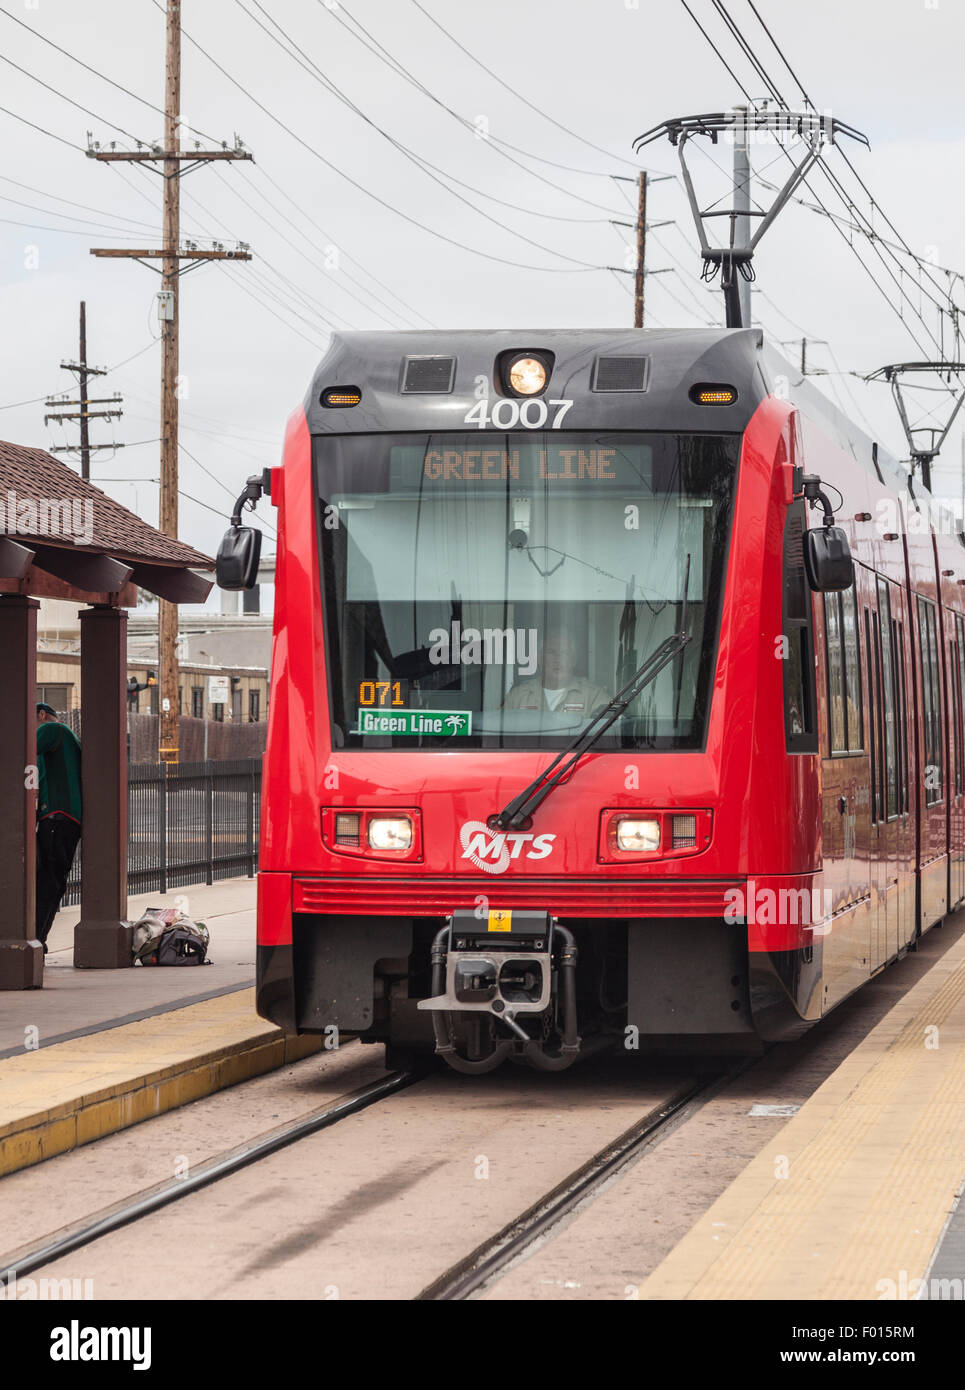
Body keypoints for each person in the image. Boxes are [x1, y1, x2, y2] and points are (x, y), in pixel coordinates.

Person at [35, 703, 82, 953]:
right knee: (54, 883)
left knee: (46, 882)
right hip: (67, 820)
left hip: (56, 817)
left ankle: (34, 939)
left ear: (41, 715)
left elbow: (21, 749)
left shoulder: (53, 729)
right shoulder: (69, 739)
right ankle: (38, 938)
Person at [503, 629, 609, 716]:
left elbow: (611, 735)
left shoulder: (594, 696)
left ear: (574, 659)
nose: (558, 659)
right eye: (551, 652)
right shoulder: (518, 696)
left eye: (564, 653)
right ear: (539, 658)